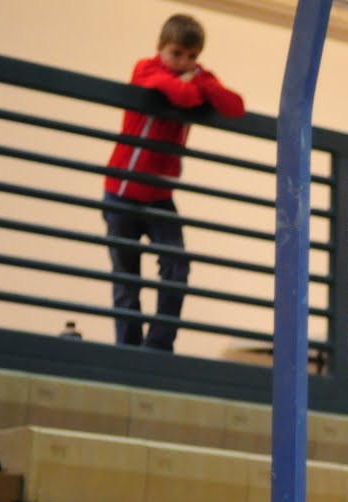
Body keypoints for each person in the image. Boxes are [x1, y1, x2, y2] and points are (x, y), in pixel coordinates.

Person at [103, 13, 244, 351]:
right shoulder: (145, 68)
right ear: (160, 49)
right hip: (122, 191)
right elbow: (174, 94)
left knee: (176, 266)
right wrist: (193, 87)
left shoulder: (198, 77)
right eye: (176, 54)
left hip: (160, 195)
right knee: (127, 277)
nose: (184, 63)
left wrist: (202, 83)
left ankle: (158, 346)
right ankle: (128, 348)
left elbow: (235, 106)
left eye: (192, 56)